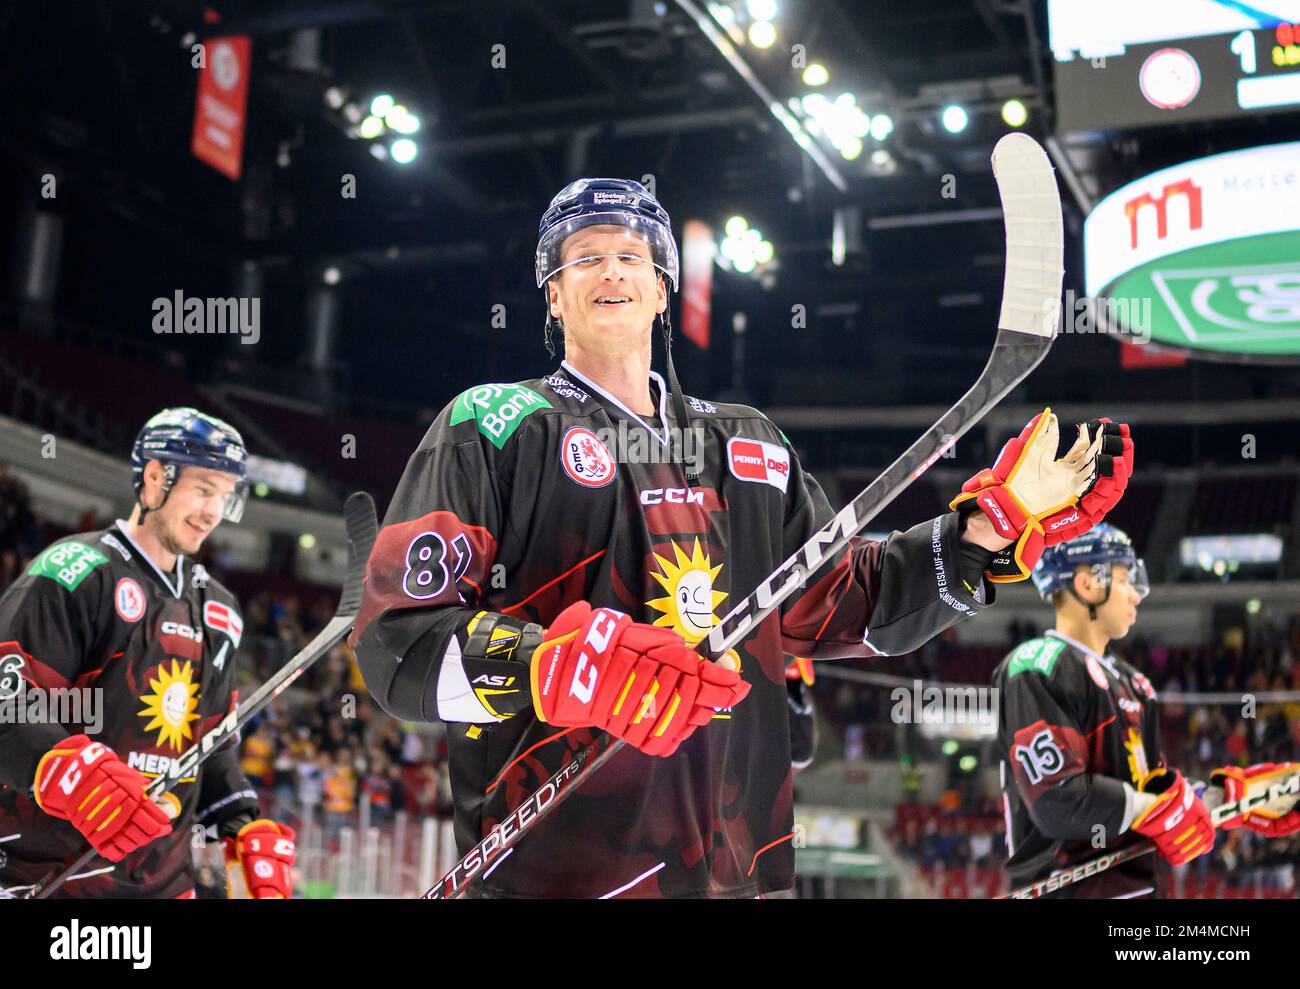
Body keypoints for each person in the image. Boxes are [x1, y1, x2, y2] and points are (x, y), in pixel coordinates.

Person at [350, 177, 1134, 898]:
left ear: (663, 289)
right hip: (557, 867)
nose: (611, 271)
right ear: (552, 297)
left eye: (633, 256)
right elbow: (398, 645)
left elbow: (843, 601)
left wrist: (977, 535)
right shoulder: (493, 425)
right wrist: (545, 665)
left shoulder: (749, 445)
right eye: (583, 258)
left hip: (739, 871)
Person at [0, 408, 295, 899]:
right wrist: (64, 767)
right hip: (48, 880)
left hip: (161, 885)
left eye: (225, 497)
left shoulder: (221, 611)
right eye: (203, 489)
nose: (213, 512)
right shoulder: (76, 571)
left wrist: (242, 826)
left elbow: (211, 751)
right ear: (156, 477)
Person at [995, 523, 1299, 898]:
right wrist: (1156, 808)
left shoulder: (1133, 682)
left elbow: (1153, 790)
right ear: (1088, 583)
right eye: (1125, 579)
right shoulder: (1035, 666)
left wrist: (1238, 798)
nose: (1136, 595)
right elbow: (1059, 799)